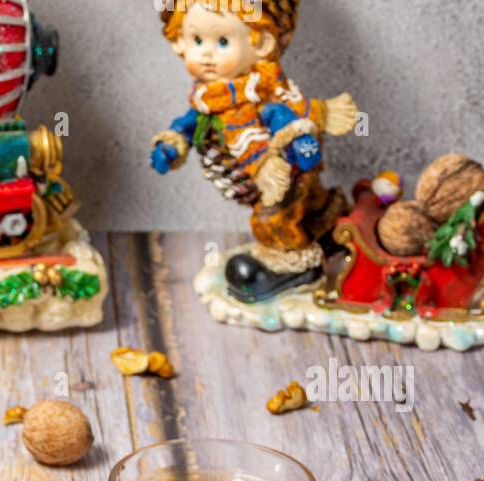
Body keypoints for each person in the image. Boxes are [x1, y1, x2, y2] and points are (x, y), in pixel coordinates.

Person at [150, 0, 357, 303]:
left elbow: (290, 122)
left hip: (281, 175)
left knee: (274, 216)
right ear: (179, 40)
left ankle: (296, 261)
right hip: (245, 179)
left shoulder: (266, 98)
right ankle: (324, 220)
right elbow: (186, 124)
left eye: (222, 41)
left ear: (261, 43)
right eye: (196, 40)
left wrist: (303, 144)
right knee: (300, 206)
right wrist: (172, 144)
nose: (206, 53)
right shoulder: (205, 100)